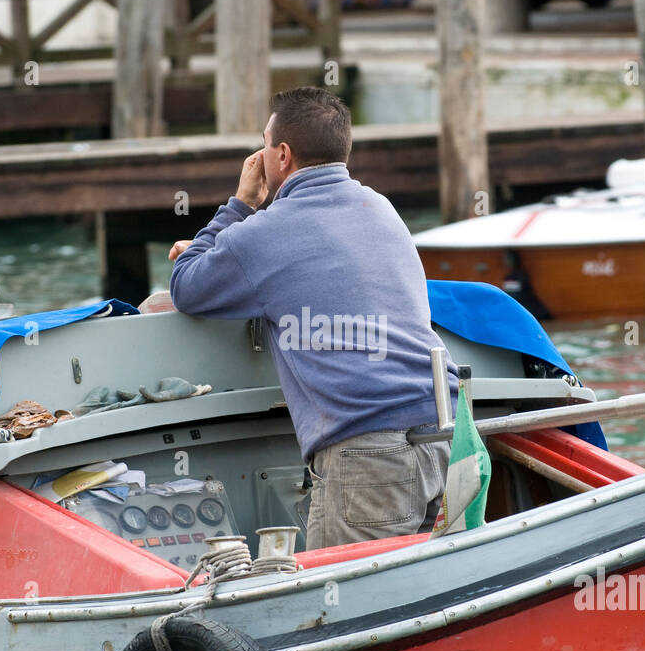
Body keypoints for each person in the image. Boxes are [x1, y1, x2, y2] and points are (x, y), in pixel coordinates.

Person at [169, 87, 457, 550]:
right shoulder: (380, 208)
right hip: (441, 430)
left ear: (281, 155)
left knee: (347, 604)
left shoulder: (265, 232)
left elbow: (187, 286)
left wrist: (240, 207)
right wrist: (231, 252)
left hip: (367, 449)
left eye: (264, 143)